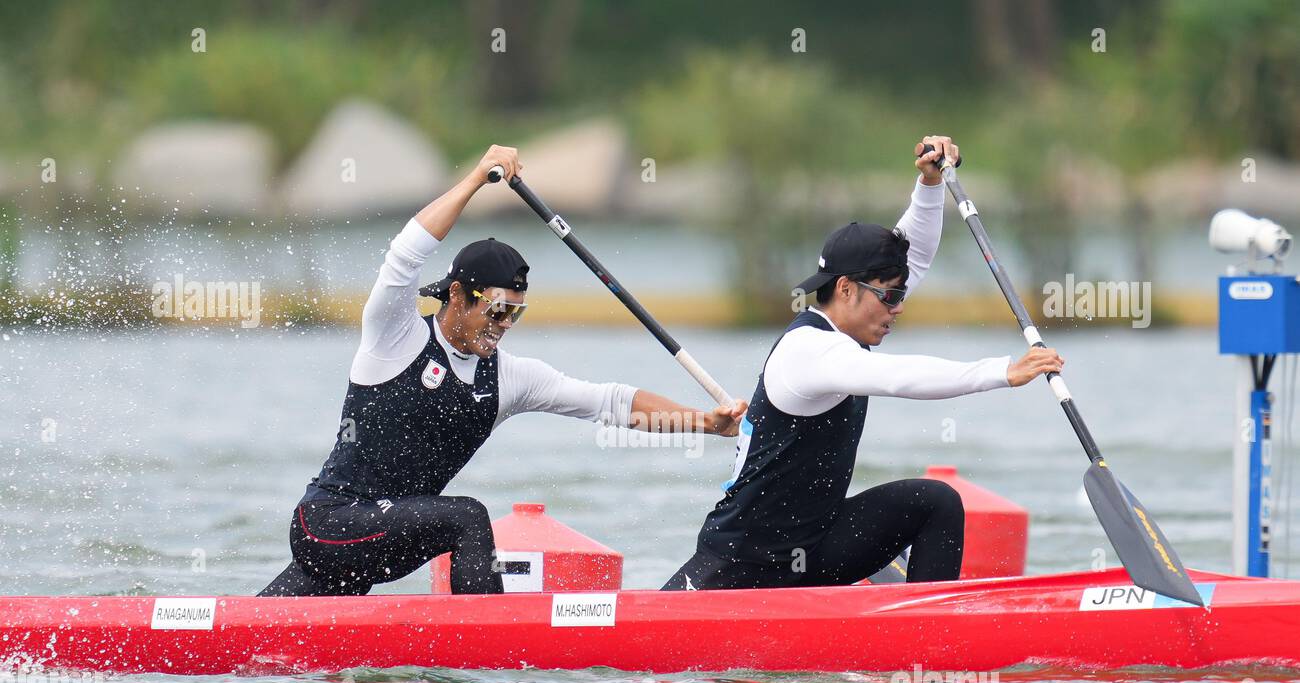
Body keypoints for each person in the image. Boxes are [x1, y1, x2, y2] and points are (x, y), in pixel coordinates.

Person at [261, 145, 744, 597]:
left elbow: (611, 402)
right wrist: (476, 177)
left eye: (516, 313)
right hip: (326, 524)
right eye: (495, 310)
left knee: (266, 643)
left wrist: (705, 422)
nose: (503, 326)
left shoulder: (508, 379)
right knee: (467, 517)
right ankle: (483, 662)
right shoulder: (395, 336)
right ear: (456, 295)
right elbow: (404, 254)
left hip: (381, 541)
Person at [663, 135, 1063, 591]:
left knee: (934, 503)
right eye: (890, 296)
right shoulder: (808, 352)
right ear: (847, 289)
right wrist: (1002, 372)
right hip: (742, 562)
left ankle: (928, 635)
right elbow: (898, 377)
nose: (900, 306)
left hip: (812, 548)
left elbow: (914, 256)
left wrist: (930, 186)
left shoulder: (853, 322)